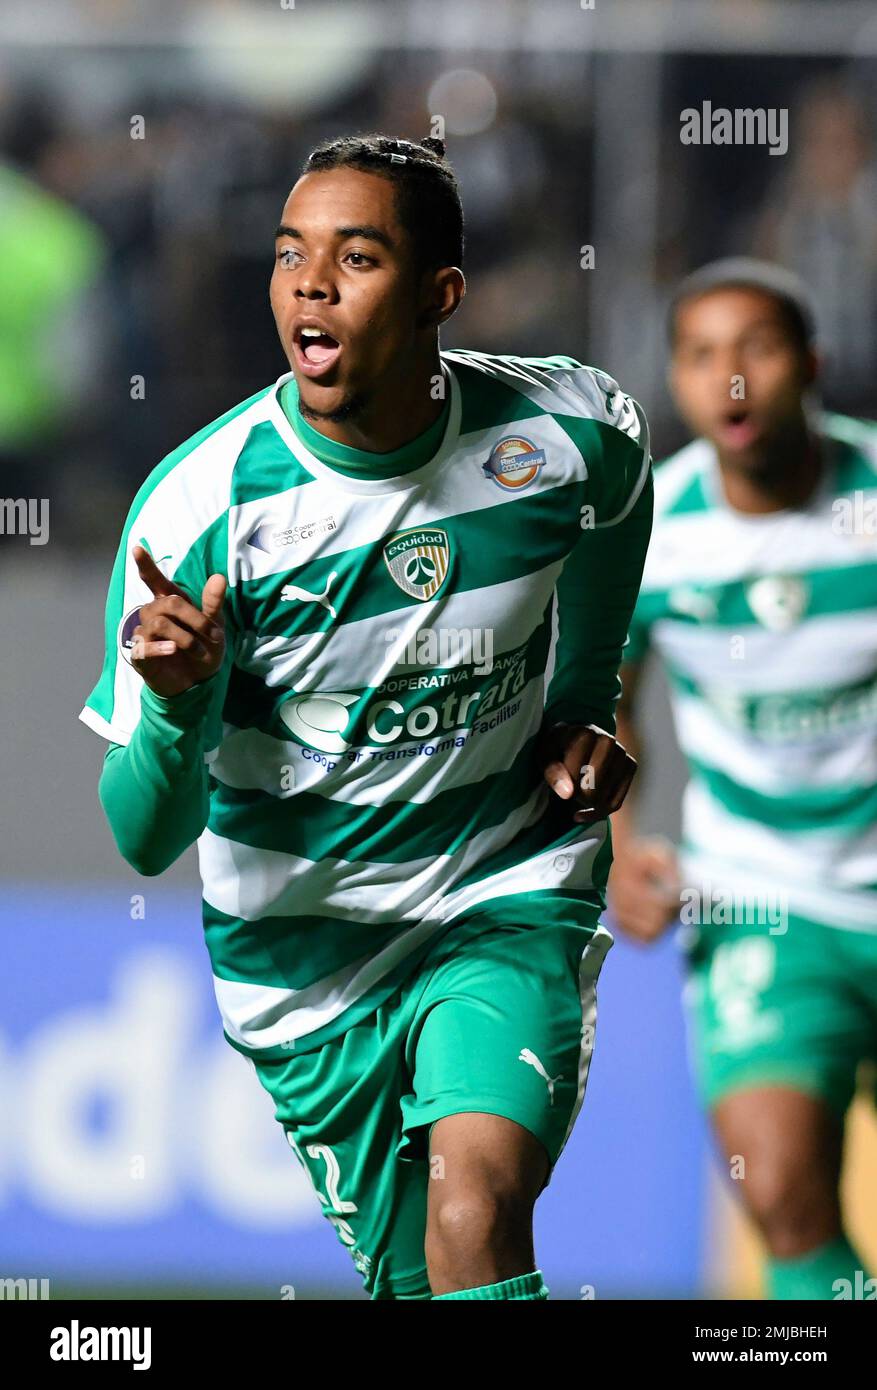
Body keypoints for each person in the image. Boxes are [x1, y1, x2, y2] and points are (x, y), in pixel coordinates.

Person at [80, 134, 652, 1300]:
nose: (310, 285)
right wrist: (184, 705)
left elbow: (616, 509)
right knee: (420, 1281)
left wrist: (585, 710)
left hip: (500, 886)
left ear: (440, 292)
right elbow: (142, 836)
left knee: (475, 1207)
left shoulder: (560, 436)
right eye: (291, 255)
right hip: (305, 961)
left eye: (357, 256)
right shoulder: (200, 514)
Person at [610, 258, 877, 1300]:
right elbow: (606, 705)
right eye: (700, 357)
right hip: (760, 898)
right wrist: (620, 851)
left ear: (808, 365)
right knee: (775, 1185)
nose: (730, 382)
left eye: (756, 351)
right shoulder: (650, 532)